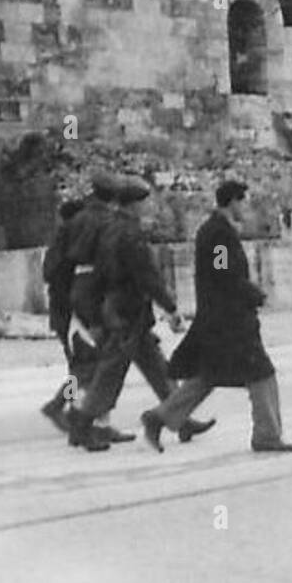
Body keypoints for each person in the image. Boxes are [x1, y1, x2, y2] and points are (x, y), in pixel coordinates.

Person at [141, 180, 292, 454]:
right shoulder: (218, 234)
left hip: (221, 319)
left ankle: (160, 417)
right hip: (229, 320)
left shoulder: (214, 231)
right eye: (243, 202)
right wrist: (255, 295)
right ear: (233, 201)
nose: (245, 208)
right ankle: (267, 434)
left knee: (209, 374)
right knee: (262, 374)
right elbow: (223, 274)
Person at [65, 174, 215, 452]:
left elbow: (98, 272)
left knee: (157, 367)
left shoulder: (108, 229)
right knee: (111, 371)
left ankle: (179, 417)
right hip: (128, 311)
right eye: (143, 204)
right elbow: (147, 276)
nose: (146, 209)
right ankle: (82, 425)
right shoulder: (130, 234)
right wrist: (170, 308)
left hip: (116, 308)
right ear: (133, 206)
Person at [40, 173, 120, 440]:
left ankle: (64, 407)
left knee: (82, 367)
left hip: (67, 310)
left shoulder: (60, 244)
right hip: (69, 312)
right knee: (85, 366)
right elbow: (57, 276)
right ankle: (74, 413)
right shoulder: (66, 249)